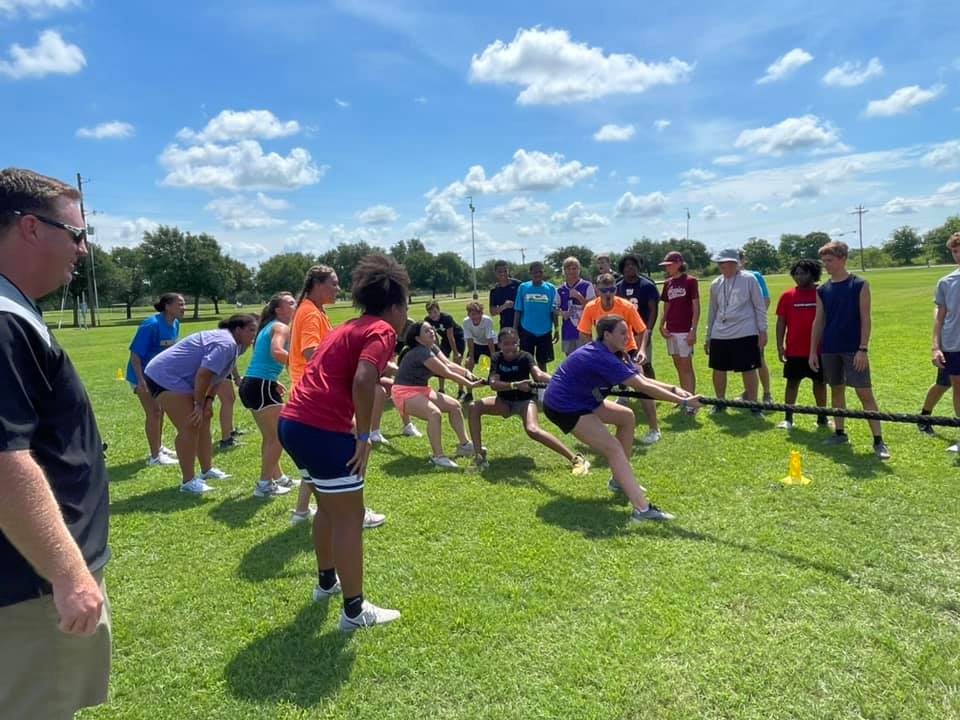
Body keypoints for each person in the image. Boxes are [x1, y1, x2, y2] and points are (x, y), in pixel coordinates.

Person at [0, 168, 111, 717]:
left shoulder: (15, 310)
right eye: (75, 233)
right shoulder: (3, 321)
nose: (84, 249)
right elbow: (3, 462)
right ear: (29, 229)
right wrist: (68, 574)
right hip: (31, 587)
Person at [278, 254, 409, 631]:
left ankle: (326, 584)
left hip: (293, 424)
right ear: (396, 305)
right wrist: (365, 434)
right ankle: (354, 610)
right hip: (321, 430)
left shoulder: (347, 326)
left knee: (329, 509)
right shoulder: (382, 330)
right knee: (350, 517)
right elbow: (365, 379)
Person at [543, 317, 702, 522]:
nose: (628, 337)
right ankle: (643, 510)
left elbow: (643, 380)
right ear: (607, 335)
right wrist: (684, 401)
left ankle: (618, 480)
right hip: (564, 405)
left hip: (584, 398)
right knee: (613, 449)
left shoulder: (610, 353)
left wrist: (673, 389)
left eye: (628, 332)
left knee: (626, 417)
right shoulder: (601, 357)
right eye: (622, 333)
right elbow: (642, 387)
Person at [287, 265, 386, 528]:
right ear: (317, 284)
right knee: (357, 444)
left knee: (316, 461)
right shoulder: (309, 313)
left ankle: (300, 512)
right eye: (333, 283)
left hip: (308, 397)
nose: (338, 288)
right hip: (318, 396)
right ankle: (356, 510)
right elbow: (311, 352)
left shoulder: (314, 311)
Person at [144, 315, 258, 493]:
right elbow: (204, 374)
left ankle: (207, 470)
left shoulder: (237, 346)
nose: (255, 334)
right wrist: (198, 404)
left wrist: (209, 400)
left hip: (180, 378)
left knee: (205, 418)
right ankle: (188, 482)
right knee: (190, 425)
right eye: (251, 330)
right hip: (164, 376)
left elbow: (219, 375)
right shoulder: (226, 343)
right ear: (238, 330)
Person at [468, 327, 589, 474]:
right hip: (503, 402)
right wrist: (515, 385)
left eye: (513, 343)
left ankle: (575, 459)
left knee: (532, 430)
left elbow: (538, 375)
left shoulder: (525, 356)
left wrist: (560, 382)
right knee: (474, 407)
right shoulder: (496, 358)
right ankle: (479, 455)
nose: (510, 347)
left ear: (518, 343)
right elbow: (493, 384)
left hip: (525, 402)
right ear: (499, 344)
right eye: (506, 343)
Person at [809, 241, 890, 459]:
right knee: (836, 390)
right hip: (830, 348)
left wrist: (863, 348)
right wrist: (812, 351)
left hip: (854, 349)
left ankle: (878, 441)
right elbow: (818, 321)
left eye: (830, 260)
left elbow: (866, 318)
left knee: (864, 393)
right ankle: (839, 432)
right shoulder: (822, 289)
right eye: (824, 261)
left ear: (843, 259)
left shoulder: (859, 284)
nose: (826, 265)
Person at [579, 273, 661, 444]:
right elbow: (584, 333)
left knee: (643, 388)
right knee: (591, 388)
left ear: (615, 289)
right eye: (603, 290)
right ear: (597, 290)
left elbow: (642, 330)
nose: (608, 293)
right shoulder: (590, 307)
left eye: (611, 289)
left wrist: (642, 351)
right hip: (603, 352)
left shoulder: (626, 306)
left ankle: (654, 429)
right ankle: (598, 426)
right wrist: (592, 353)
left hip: (627, 350)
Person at [392, 322, 483, 468]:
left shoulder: (432, 347)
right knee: (434, 414)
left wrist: (467, 373)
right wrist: (470, 384)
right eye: (426, 331)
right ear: (418, 339)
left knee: (454, 406)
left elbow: (448, 364)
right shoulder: (421, 352)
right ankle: (438, 457)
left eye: (431, 329)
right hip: (403, 392)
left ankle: (464, 445)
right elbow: (446, 373)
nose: (432, 332)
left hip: (422, 389)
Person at [239, 292, 297, 498]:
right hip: (260, 386)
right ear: (278, 310)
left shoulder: (269, 326)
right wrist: (304, 364)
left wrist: (273, 381)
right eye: (290, 303)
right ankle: (264, 484)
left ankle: (278, 478)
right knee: (278, 437)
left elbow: (262, 360)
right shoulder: (281, 327)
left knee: (270, 437)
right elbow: (276, 352)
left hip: (255, 384)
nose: (295, 305)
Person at [705, 248, 767, 416]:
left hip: (745, 331)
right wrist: (708, 336)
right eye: (720, 264)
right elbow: (712, 311)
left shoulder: (749, 280)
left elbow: (760, 307)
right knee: (718, 369)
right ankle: (720, 402)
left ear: (735, 263)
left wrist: (763, 331)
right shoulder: (716, 283)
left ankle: (754, 404)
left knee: (748, 369)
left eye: (725, 264)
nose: (722, 267)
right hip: (720, 332)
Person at [126, 292, 185, 466]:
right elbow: (135, 356)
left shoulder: (175, 324)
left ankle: (158, 447)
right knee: (154, 412)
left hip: (160, 376)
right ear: (167, 306)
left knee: (161, 411)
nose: (184, 308)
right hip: (142, 375)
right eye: (180, 304)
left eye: (184, 304)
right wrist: (141, 381)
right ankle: (155, 457)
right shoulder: (150, 325)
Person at [774, 259, 828, 430]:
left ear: (813, 274)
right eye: (796, 273)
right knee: (792, 383)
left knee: (819, 384)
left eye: (803, 273)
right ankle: (788, 418)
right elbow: (781, 322)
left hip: (818, 350)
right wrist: (780, 345)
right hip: (795, 350)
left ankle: (822, 418)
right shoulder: (787, 296)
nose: (798, 276)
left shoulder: (823, 293)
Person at [932, 231, 960, 452]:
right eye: (954, 251)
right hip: (954, 344)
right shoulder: (946, 282)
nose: (958, 254)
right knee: (958, 390)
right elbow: (939, 318)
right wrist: (936, 347)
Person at [658, 251, 700, 399]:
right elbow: (667, 305)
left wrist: (693, 330)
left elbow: (696, 307)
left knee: (686, 365)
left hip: (684, 330)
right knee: (678, 365)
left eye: (670, 264)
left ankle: (691, 399)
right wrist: (662, 325)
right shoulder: (667, 283)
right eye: (666, 265)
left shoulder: (690, 281)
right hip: (671, 330)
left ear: (679, 263)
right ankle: (684, 397)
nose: (667, 268)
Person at [616, 253, 659, 378]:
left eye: (633, 265)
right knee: (623, 363)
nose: (630, 267)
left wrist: (649, 329)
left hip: (641, 331)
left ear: (638, 266)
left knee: (645, 363)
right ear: (622, 269)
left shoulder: (647, 285)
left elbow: (653, 310)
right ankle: (625, 396)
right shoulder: (618, 287)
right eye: (627, 265)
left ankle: (651, 392)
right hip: (624, 333)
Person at [739, 249, 773, 404]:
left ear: (743, 260)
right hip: (737, 328)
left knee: (759, 359)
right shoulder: (729, 278)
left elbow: (765, 300)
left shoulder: (755, 276)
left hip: (753, 327)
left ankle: (767, 394)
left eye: (738, 259)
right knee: (745, 362)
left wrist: (756, 322)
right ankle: (748, 392)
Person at [513, 261, 559, 371]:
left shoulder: (551, 288)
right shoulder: (523, 287)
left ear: (543, 273)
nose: (537, 274)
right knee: (526, 361)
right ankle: (527, 386)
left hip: (545, 331)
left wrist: (556, 329)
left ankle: (542, 387)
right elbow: (518, 309)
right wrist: (514, 329)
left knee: (542, 362)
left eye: (540, 272)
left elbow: (554, 311)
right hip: (527, 330)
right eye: (535, 272)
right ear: (530, 273)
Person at [556, 256, 595, 356]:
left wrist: (579, 297)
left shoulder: (587, 285)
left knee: (586, 358)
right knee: (570, 359)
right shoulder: (560, 290)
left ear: (579, 270)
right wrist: (561, 313)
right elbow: (554, 308)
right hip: (568, 331)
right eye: (568, 269)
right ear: (564, 271)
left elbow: (592, 307)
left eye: (574, 268)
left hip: (584, 331)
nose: (572, 271)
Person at [425, 300, 464, 395]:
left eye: (435, 312)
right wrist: (437, 351)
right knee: (441, 363)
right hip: (445, 339)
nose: (433, 315)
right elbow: (434, 336)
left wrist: (455, 353)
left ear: (439, 310)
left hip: (457, 338)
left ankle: (461, 390)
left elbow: (451, 337)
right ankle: (441, 389)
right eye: (430, 313)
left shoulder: (446, 318)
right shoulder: (428, 320)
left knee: (457, 363)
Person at [489, 259, 521, 330]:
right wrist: (504, 306)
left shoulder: (518, 285)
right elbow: (492, 312)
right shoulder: (494, 290)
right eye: (500, 271)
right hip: (505, 325)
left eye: (505, 271)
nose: (503, 273)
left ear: (508, 271)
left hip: (521, 325)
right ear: (495, 273)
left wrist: (515, 305)